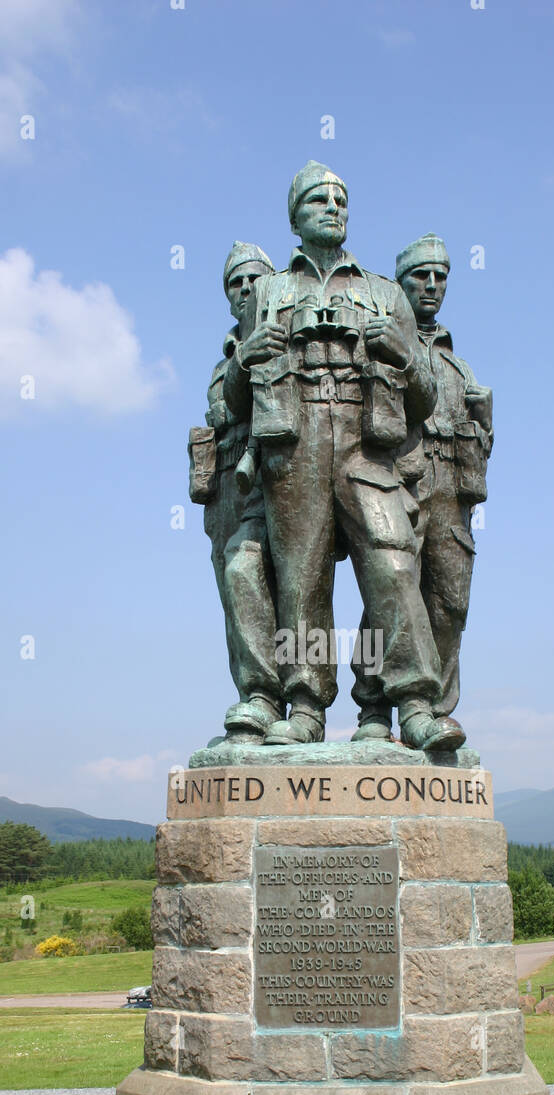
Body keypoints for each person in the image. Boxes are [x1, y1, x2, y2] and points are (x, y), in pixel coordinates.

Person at [223, 162, 464, 751]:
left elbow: (425, 398)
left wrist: (405, 357)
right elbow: (235, 404)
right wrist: (242, 360)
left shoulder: (384, 293)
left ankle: (411, 702)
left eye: (341, 200)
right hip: (294, 444)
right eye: (317, 201)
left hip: (365, 447)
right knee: (301, 579)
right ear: (294, 216)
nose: (332, 208)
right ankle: (305, 705)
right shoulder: (269, 292)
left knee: (393, 563)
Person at [351, 234, 493, 742]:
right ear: (399, 282)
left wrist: (486, 419)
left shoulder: (459, 366)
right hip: (401, 480)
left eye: (441, 276)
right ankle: (373, 708)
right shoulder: (383, 339)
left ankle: (434, 710)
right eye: (420, 275)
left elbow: (482, 440)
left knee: (450, 602)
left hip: (453, 488)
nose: (432, 285)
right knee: (388, 591)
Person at [188, 242, 284, 741]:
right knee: (236, 593)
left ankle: (281, 697)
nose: (246, 290)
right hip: (227, 484)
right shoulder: (223, 359)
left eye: (254, 280)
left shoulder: (285, 341)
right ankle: (255, 698)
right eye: (236, 283)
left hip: (278, 480)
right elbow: (221, 415)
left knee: (274, 584)